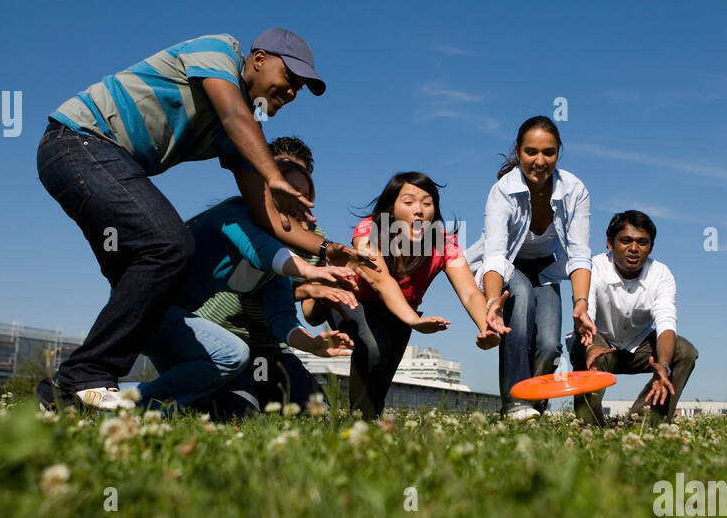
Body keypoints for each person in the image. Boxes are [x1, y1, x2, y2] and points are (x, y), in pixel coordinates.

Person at [36, 29, 361, 412]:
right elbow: (237, 114)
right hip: (79, 141)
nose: (291, 93)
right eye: (289, 79)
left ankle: (67, 396)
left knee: (145, 272)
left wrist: (328, 249)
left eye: (299, 90)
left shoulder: (234, 134)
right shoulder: (218, 50)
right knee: (170, 246)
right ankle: (86, 374)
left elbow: (270, 222)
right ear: (258, 59)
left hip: (100, 161)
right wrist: (273, 176)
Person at [136, 170, 355, 412]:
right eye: (292, 193)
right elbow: (258, 249)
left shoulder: (276, 266)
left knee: (235, 409)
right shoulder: (235, 215)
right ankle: (127, 402)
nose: (301, 204)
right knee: (232, 353)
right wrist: (311, 270)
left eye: (306, 198)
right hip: (147, 306)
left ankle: (142, 408)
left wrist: (312, 344)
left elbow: (281, 317)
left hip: (177, 324)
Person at [194, 137, 359, 416]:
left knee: (318, 413)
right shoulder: (240, 217)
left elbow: (285, 306)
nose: (291, 192)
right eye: (280, 174)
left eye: (300, 182)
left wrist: (324, 291)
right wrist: (309, 284)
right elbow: (263, 255)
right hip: (219, 333)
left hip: (270, 342)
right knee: (241, 413)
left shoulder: (310, 238)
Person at [337, 172, 509, 419]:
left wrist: (488, 327)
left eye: (427, 203)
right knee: (375, 348)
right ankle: (355, 423)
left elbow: (470, 293)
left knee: (378, 391)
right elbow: (380, 281)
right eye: (408, 202)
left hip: (400, 314)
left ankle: (366, 424)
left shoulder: (444, 243)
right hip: (355, 301)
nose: (419, 210)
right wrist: (414, 321)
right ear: (392, 209)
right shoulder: (368, 230)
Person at [463, 116, 595, 419]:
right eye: (530, 152)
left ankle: (534, 404)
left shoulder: (575, 190)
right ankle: (515, 403)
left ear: (559, 152)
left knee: (549, 347)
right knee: (519, 304)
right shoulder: (503, 191)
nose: (539, 161)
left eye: (548, 152)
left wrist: (581, 304)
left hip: (547, 269)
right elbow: (495, 255)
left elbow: (579, 253)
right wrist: (492, 303)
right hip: (508, 266)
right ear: (519, 152)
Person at [567, 210, 699, 426]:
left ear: (651, 247)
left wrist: (663, 366)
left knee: (685, 352)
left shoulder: (661, 274)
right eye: (626, 241)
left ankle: (640, 424)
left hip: (638, 346)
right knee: (593, 349)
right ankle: (588, 428)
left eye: (642, 242)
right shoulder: (592, 268)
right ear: (610, 244)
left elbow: (666, 323)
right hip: (597, 340)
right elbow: (584, 315)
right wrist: (590, 347)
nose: (634, 248)